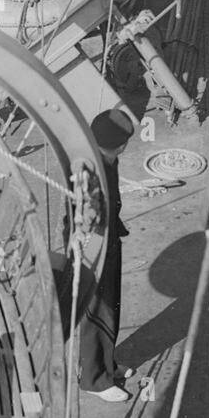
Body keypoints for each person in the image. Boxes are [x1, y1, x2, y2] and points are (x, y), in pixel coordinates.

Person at [78, 107, 136, 400]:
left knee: (110, 307)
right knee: (96, 312)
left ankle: (107, 363)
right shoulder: (92, 170)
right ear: (123, 144)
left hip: (109, 241)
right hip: (94, 251)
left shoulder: (107, 159)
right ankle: (94, 380)